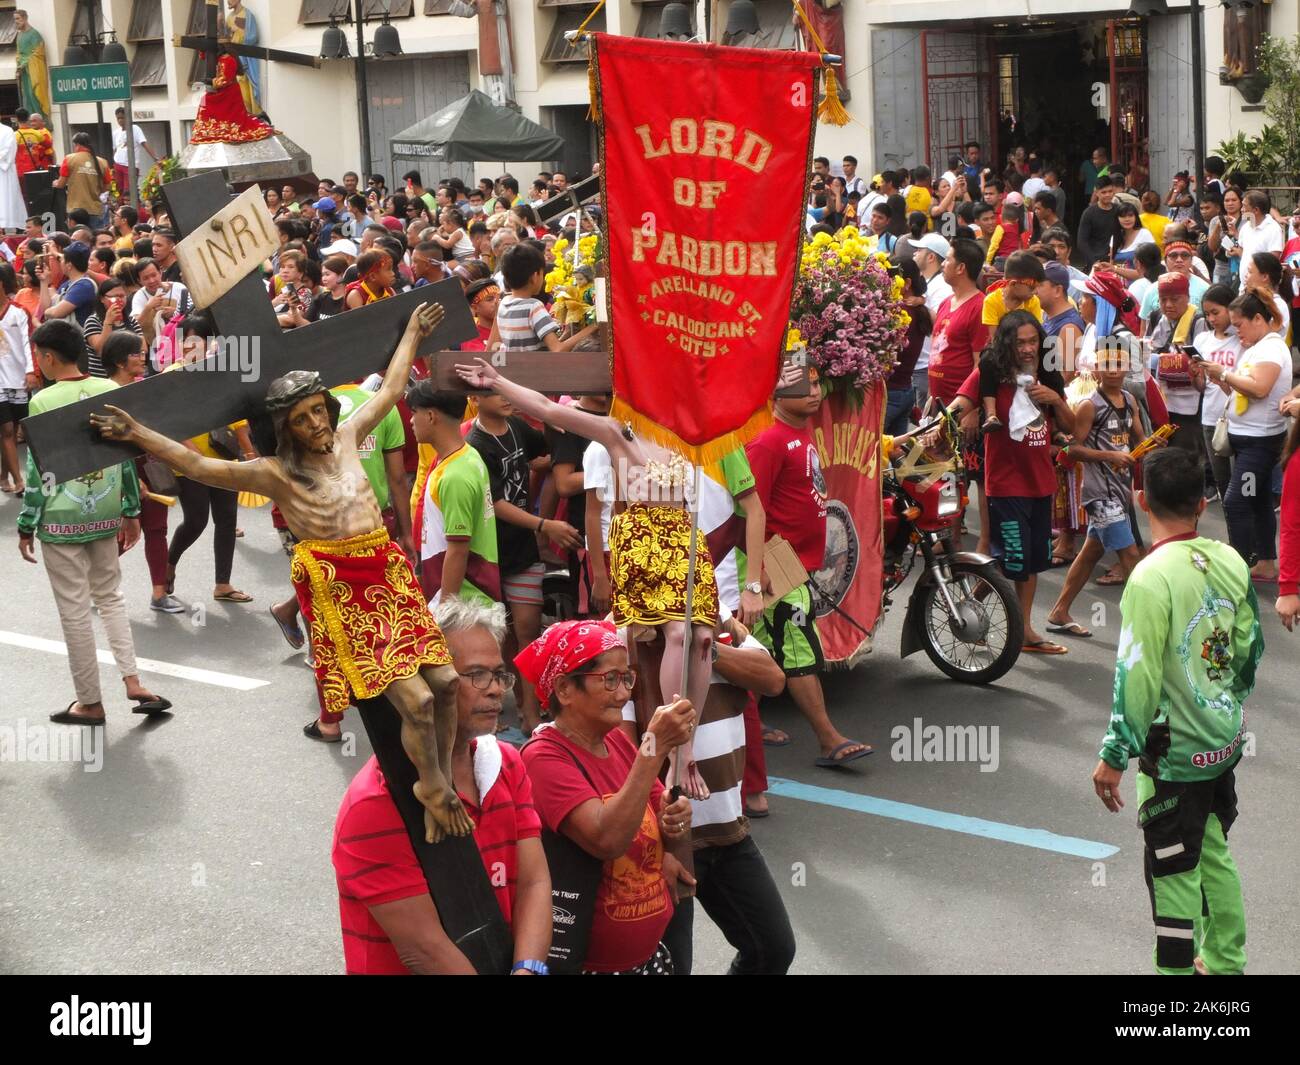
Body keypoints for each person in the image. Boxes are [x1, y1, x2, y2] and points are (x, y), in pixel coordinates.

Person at [94, 303, 480, 844]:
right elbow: (199, 467)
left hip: (388, 572)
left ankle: (437, 774)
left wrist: (413, 331)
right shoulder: (276, 474)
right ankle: (433, 787)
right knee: (414, 700)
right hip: (345, 585)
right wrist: (138, 432)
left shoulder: (347, 437)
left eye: (317, 411)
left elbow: (391, 391)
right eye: (301, 420)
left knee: (445, 684)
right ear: (287, 430)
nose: (316, 423)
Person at [1092, 447, 1260, 976]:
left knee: (1172, 875)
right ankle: (1228, 963)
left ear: (1141, 500)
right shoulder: (1231, 558)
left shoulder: (1149, 577)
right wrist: (1221, 702)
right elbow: (1248, 647)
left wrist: (1115, 756)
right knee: (1212, 851)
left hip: (1174, 757)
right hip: (1223, 742)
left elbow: (1135, 678)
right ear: (1204, 503)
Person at [330, 597, 552, 974]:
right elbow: (425, 950)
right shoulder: (375, 803)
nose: (497, 690)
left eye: (500, 675)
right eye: (477, 674)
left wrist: (529, 968)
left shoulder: (506, 764)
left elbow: (533, 882)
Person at [518, 619, 695, 975]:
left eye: (626, 677)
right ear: (565, 689)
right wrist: (655, 748)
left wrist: (675, 825)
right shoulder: (543, 756)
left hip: (648, 957)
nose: (623, 693)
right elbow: (607, 839)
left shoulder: (614, 739)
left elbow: (663, 822)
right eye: (609, 680)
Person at [18, 319, 171, 725]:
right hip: (105, 512)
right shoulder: (108, 390)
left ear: (48, 357)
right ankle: (134, 680)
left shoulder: (43, 401)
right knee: (111, 597)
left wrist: (26, 521)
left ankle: (89, 701)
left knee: (74, 610)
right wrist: (131, 510)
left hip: (60, 517)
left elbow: (37, 470)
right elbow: (122, 454)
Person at [639, 608, 795, 974]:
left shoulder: (720, 621)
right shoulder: (628, 638)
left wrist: (707, 649)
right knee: (673, 967)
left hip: (727, 830)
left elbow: (772, 679)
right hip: (666, 845)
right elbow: (621, 750)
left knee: (772, 948)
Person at [744, 367, 872, 766]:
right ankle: (827, 739)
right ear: (776, 397)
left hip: (795, 562)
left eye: (816, 384)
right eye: (802, 387)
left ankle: (749, 725)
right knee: (797, 647)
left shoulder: (801, 436)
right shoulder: (768, 442)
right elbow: (751, 510)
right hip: (776, 561)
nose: (814, 393)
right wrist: (759, 569)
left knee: (760, 645)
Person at [946, 311, 1075, 655]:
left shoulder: (1048, 374)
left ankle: (1024, 628)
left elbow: (1073, 425)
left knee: (1030, 561)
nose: (1028, 348)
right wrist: (942, 421)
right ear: (1007, 344)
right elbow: (962, 401)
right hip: (1005, 483)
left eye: (1033, 341)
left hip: (1042, 483)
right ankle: (969, 611)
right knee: (1009, 558)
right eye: (1020, 343)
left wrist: (1056, 400)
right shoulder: (991, 370)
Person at [466, 391, 577, 732]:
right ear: (474, 398)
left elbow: (544, 448)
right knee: (494, 639)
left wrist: (557, 416)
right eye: (494, 392)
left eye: (507, 390)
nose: (504, 397)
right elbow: (496, 503)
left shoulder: (515, 425)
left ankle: (530, 713)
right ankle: (490, 713)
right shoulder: (476, 444)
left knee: (527, 632)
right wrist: (544, 524)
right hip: (491, 553)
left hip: (524, 552)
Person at [1045, 345, 1145, 638]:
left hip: (1120, 491)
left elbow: (1139, 440)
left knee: (1091, 552)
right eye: (1107, 364)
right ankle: (1141, 627)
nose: (1113, 369)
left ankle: (1059, 611)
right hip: (1098, 494)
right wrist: (1110, 457)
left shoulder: (1130, 400)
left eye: (1119, 363)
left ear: (1128, 367)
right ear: (1097, 369)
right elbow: (1072, 449)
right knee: (1129, 554)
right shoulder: (1090, 405)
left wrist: (1152, 446)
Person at [1200, 288, 1291, 581]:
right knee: (1258, 500)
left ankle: (1238, 566)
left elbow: (1260, 388)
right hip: (1249, 439)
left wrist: (1224, 374)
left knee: (1237, 501)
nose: (1236, 330)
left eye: (1239, 324)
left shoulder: (1272, 348)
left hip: (1259, 443)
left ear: (1257, 319)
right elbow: (1243, 391)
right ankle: (1264, 562)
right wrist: (1218, 376)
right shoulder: (1257, 347)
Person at [406, 381, 500, 608]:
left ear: (430, 416)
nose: (410, 420)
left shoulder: (455, 475)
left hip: (465, 605)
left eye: (414, 413)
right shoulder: (465, 456)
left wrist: (446, 610)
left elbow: (457, 550)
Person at [1144, 272, 1209, 461]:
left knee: (1188, 453)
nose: (1168, 305)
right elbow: (1149, 348)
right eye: (1163, 300)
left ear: (1187, 298)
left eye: (1175, 299)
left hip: (1190, 399)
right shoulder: (1158, 317)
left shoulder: (1198, 321)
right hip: (1163, 398)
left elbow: (1198, 361)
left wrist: (1159, 359)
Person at [490, 243, 596, 353]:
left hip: (518, 367)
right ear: (535, 276)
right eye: (542, 273)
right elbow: (557, 349)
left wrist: (567, 333)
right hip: (537, 368)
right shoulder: (533, 307)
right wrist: (593, 326)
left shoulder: (503, 303)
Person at [1189, 284, 1241, 503]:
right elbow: (1202, 387)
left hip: (1240, 417)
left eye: (1216, 312)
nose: (1211, 318)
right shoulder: (1202, 340)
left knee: (1245, 482)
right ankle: (1232, 525)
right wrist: (1194, 375)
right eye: (1207, 313)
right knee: (1223, 482)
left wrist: (1222, 377)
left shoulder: (1242, 339)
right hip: (1211, 417)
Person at [927, 237, 987, 408]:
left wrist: (972, 408)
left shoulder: (980, 306)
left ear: (961, 268)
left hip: (959, 407)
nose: (942, 264)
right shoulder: (945, 303)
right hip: (938, 402)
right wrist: (931, 395)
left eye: (947, 259)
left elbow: (980, 363)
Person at [0, 262, 34, 496]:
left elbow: (27, 342)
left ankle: (3, 475)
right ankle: (19, 480)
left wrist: (31, 372)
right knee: (6, 430)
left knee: (19, 428)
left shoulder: (19, 312)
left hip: (18, 379)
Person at [886, 258, 931, 435]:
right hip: (905, 392)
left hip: (889, 396)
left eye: (889, 278)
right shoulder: (920, 311)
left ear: (906, 283)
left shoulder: (899, 313)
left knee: (877, 455)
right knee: (895, 455)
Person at [913, 232, 951, 412]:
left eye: (918, 250)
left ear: (931, 257)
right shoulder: (926, 282)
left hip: (927, 367)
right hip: (917, 365)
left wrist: (919, 305)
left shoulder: (942, 287)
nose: (914, 254)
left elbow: (943, 323)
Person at [82, 276, 141, 378]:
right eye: (114, 297)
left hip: (128, 378)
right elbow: (100, 351)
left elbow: (142, 348)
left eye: (122, 296)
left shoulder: (131, 321)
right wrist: (108, 322)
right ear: (102, 299)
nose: (119, 300)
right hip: (102, 379)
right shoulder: (93, 321)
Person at [1138, 239, 1209, 320]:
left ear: (1191, 261)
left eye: (1185, 255)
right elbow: (1145, 328)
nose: (1179, 260)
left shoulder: (1204, 289)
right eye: (1173, 256)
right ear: (1165, 261)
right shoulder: (1152, 290)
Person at [53, 132, 112, 227]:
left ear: (77, 145)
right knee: (93, 238)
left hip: (75, 210)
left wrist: (55, 183)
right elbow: (107, 186)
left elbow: (61, 184)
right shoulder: (102, 162)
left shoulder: (69, 159)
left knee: (78, 238)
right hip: (94, 209)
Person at [37, 241, 96, 329]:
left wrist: (47, 311)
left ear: (69, 266)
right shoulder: (67, 284)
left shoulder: (84, 285)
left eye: (62, 259)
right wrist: (44, 281)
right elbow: (46, 306)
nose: (60, 262)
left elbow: (56, 313)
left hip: (78, 339)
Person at [1235, 190, 1283, 291]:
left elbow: (1272, 261)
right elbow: (1243, 252)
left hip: (1262, 290)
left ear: (1256, 210)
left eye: (1244, 206)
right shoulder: (1245, 227)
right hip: (1244, 287)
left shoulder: (1273, 229)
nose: (1241, 210)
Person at [111, 107, 157, 202]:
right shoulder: (116, 133)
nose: (120, 120)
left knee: (129, 192)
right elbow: (115, 149)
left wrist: (155, 158)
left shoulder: (135, 129)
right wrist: (113, 165)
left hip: (130, 165)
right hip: (118, 165)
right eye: (118, 118)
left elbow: (144, 143)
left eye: (122, 118)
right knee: (119, 192)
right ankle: (121, 211)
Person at [1077, 176, 1118, 269]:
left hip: (1116, 262)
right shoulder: (1089, 213)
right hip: (1096, 262)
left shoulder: (1119, 210)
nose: (1107, 195)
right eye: (1103, 192)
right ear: (1096, 193)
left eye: (1110, 191)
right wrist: (1094, 262)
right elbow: (1082, 242)